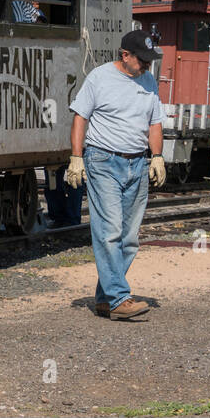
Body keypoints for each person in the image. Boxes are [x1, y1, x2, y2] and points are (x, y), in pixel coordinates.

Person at [65, 30, 166, 320]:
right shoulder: (99, 78)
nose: (147, 65)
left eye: (150, 60)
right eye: (142, 60)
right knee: (109, 232)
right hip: (103, 160)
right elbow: (80, 117)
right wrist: (76, 157)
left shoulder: (148, 81)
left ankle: (104, 298)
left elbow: (155, 123)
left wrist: (157, 156)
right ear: (125, 55)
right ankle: (120, 298)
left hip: (137, 164)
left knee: (129, 238)